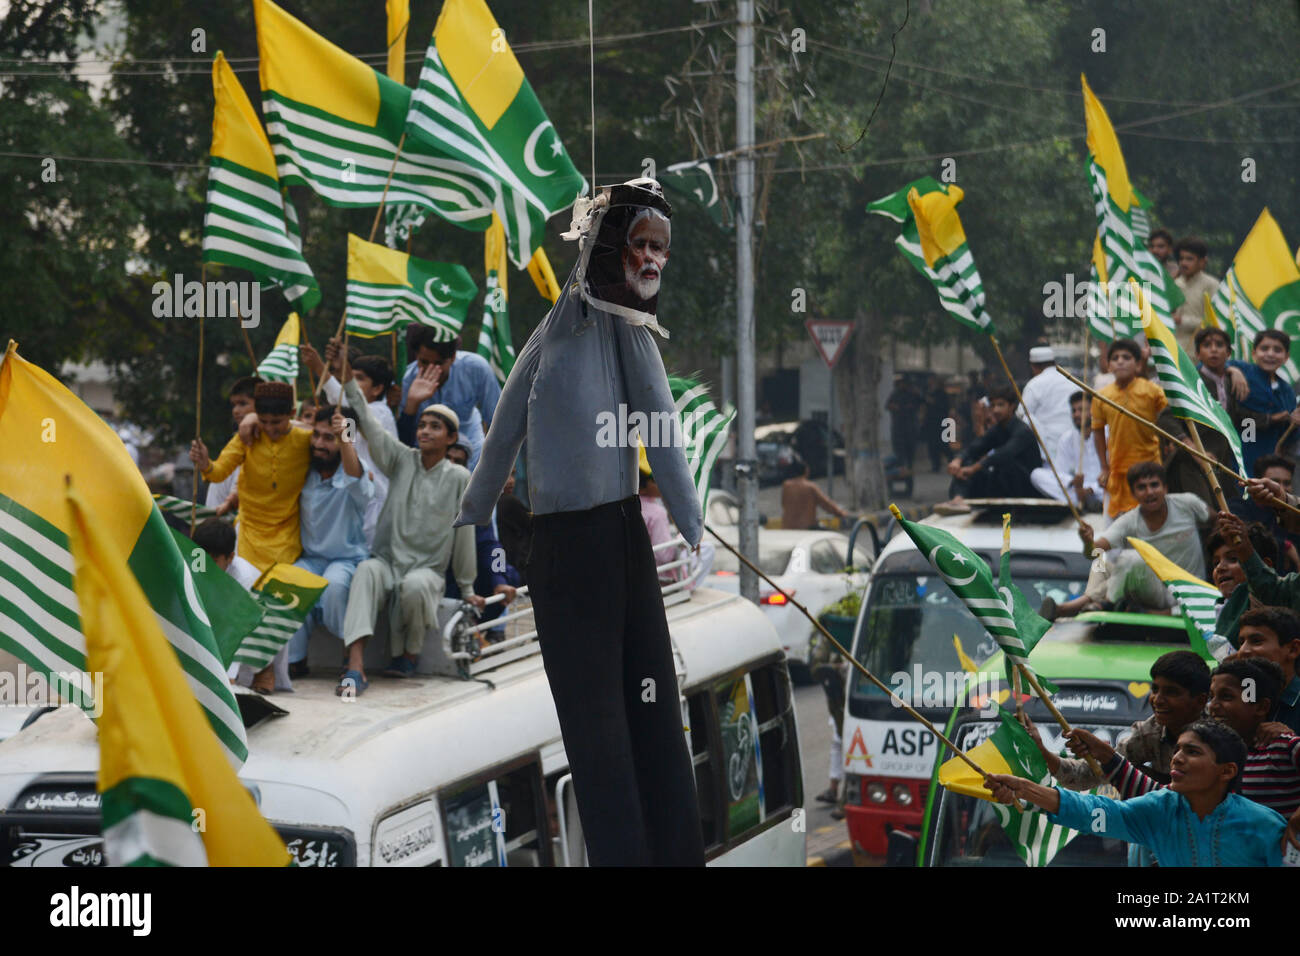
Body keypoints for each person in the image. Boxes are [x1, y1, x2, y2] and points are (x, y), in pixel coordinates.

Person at [455, 179, 707, 866]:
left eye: (661, 249)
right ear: (607, 246)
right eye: (642, 245)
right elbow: (506, 419)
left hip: (615, 534)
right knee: (592, 725)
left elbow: (662, 428)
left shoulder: (629, 333)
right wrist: (475, 506)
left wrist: (689, 519)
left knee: (645, 710)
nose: (653, 260)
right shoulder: (560, 325)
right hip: (564, 547)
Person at [339, 366, 482, 694]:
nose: (425, 431)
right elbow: (368, 422)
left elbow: (464, 536)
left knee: (416, 586)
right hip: (388, 562)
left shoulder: (460, 478)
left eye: (435, 427)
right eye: (422, 425)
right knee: (365, 571)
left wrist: (467, 586)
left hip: (427, 571)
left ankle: (408, 656)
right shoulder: (401, 460)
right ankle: (355, 666)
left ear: (450, 438)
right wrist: (345, 378)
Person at [988, 720, 1288, 866]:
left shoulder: (1266, 827)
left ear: (1227, 771)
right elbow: (1092, 811)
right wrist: (1025, 788)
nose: (1177, 758)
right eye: (1178, 749)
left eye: (1192, 752)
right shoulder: (1158, 810)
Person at [1069, 658, 1300, 825]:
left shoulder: (1281, 744)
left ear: (1262, 708)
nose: (1213, 706)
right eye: (1212, 697)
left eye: (1227, 697)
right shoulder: (1214, 755)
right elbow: (1168, 799)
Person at [190, 381, 312, 693]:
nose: (271, 429)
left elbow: (330, 435)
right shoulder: (246, 436)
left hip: (285, 536)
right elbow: (218, 472)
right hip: (248, 534)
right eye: (265, 421)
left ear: (291, 415)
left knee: (273, 606)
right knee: (242, 607)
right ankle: (239, 675)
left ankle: (266, 671)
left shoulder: (303, 439)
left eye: (278, 422)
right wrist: (204, 463)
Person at [1049, 462, 1209, 619]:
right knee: (1102, 564)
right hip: (1154, 591)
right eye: (1142, 487)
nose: (1149, 492)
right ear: (1133, 494)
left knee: (1131, 558)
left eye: (1154, 485)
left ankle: (1098, 604)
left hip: (1185, 594)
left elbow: (1216, 521)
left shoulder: (1187, 504)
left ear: (1165, 488)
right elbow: (1094, 552)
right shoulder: (1130, 520)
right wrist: (1087, 541)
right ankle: (1089, 604)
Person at [285, 406, 374, 680]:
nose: (320, 445)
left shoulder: (355, 472)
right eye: (317, 436)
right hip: (311, 559)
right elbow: (286, 427)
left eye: (329, 438)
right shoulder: (306, 471)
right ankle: (295, 661)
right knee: (290, 582)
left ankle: (349, 650)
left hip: (347, 559)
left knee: (334, 587)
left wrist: (344, 436)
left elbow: (354, 472)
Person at [306, 345, 398, 550]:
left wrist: (321, 370)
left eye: (359, 378)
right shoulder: (353, 420)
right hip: (354, 504)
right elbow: (348, 432)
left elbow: (353, 406)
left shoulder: (380, 413)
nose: (351, 383)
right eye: (350, 377)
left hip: (377, 505)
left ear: (377, 388)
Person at [397, 326, 500, 470]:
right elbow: (404, 440)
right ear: (416, 356)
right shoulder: (409, 378)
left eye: (438, 363)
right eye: (424, 362)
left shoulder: (476, 368)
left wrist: (498, 465)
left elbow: (497, 418)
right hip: (429, 453)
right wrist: (412, 404)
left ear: (452, 358)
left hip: (470, 447)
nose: (431, 369)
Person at [1091, 338, 1168, 517]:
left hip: (1150, 469)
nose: (1120, 361)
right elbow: (1098, 432)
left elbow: (1167, 422)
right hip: (1117, 470)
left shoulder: (1152, 391)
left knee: (1150, 522)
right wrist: (1104, 467)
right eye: (1115, 358)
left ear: (1138, 364)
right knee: (1114, 532)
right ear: (1108, 365)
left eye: (1126, 357)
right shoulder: (1101, 396)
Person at [937, 386, 1042, 513]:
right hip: (1002, 482)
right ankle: (958, 499)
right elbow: (975, 447)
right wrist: (958, 461)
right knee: (967, 462)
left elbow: (1003, 454)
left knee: (1002, 463)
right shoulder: (997, 429)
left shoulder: (1022, 431)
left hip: (1024, 485)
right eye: (993, 406)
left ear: (1012, 406)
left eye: (1000, 405)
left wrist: (973, 469)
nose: (996, 410)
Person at [1230, 330, 1300, 474]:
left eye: (1277, 350)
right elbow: (1213, 368)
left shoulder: (1287, 390)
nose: (1270, 354)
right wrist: (1231, 370)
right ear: (1254, 353)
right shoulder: (1242, 370)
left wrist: (1294, 423)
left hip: (1269, 460)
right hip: (1239, 452)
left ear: (1286, 357)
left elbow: (1290, 435)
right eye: (1264, 348)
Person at [1205, 521, 1279, 653]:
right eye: (1216, 562)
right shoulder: (1221, 607)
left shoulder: (1265, 600)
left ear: (1265, 565)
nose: (1220, 568)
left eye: (1233, 559)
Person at [1030, 390, 1102, 511]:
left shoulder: (1106, 435)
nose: (1076, 414)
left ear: (1093, 411)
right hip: (1077, 491)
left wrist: (1091, 490)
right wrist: (1073, 482)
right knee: (1036, 474)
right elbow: (1060, 472)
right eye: (1074, 411)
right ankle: (1078, 503)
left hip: (1100, 492)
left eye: (1081, 410)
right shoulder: (1067, 439)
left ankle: (1081, 503)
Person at [1230, 454, 1300, 574]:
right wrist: (1285, 546)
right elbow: (1243, 536)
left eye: (1287, 483)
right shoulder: (1238, 508)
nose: (1281, 488)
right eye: (1275, 482)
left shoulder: (1293, 514)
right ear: (1258, 482)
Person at [203, 375, 262, 517]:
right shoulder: (237, 444)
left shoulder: (285, 439)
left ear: (262, 405)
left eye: (243, 404)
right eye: (234, 405)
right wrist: (205, 464)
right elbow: (217, 474)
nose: (235, 411)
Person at [1017, 345, 1077, 457]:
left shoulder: (1034, 385)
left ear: (1033, 366)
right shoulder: (1072, 381)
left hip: (1046, 448)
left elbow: (1021, 415)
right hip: (1075, 443)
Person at [1172, 237, 1221, 358]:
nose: (1183, 263)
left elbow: (1215, 322)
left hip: (1199, 352)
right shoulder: (1173, 284)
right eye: (1181, 259)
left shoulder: (1211, 285)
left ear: (1203, 262)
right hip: (1173, 349)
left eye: (1189, 259)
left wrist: (1182, 321)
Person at [781, 462, 847, 530]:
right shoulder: (810, 487)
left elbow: (783, 503)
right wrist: (840, 513)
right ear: (806, 471)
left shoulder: (786, 485)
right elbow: (826, 504)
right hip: (806, 527)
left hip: (787, 527)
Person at [886, 375, 923, 472]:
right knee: (899, 448)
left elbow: (920, 404)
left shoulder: (913, 394)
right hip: (898, 425)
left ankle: (909, 465)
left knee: (910, 447)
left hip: (910, 425)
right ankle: (901, 465)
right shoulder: (895, 394)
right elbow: (888, 405)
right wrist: (895, 407)